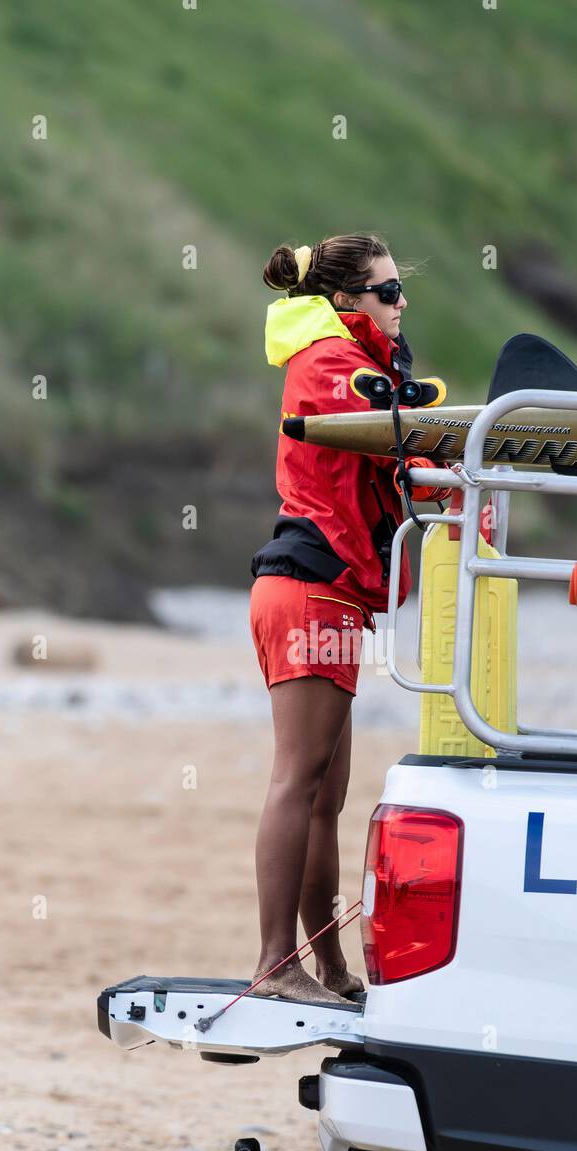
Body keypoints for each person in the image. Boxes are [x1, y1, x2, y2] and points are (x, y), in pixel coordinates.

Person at [248, 233, 420, 1003]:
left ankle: (329, 967)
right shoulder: (327, 363)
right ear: (347, 299)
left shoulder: (356, 364)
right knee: (299, 782)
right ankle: (275, 965)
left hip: (331, 592)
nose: (401, 302)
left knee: (326, 794)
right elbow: (395, 451)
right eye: (388, 291)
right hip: (311, 587)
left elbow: (395, 452)